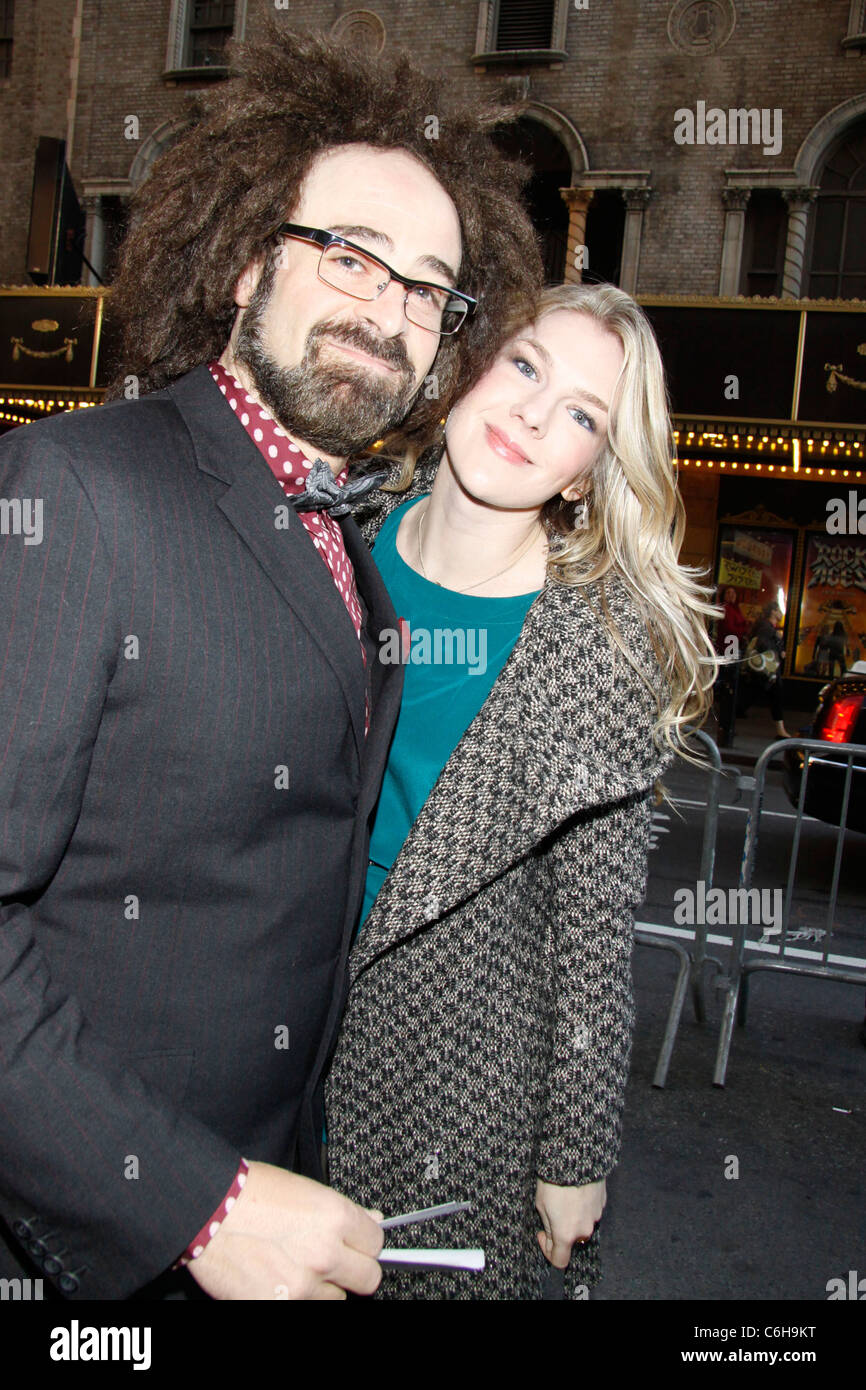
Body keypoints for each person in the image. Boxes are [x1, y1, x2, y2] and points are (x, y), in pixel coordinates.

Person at [0, 26, 541, 1300]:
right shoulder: (75, 490)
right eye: (349, 254)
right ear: (247, 265)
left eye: (428, 288)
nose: (387, 310)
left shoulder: (345, 541)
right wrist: (189, 1202)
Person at [324, 282, 718, 1300]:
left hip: (456, 1093)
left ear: (589, 472)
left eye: (582, 414)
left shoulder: (598, 656)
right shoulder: (332, 532)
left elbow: (592, 935)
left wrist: (574, 1155)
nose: (535, 415)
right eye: (525, 366)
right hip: (266, 1033)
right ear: (465, 370)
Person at [743, 601, 790, 739]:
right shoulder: (766, 627)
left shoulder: (768, 627)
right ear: (773, 612)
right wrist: (778, 649)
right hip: (768, 669)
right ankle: (780, 731)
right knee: (773, 695)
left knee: (768, 695)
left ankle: (781, 730)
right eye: (779, 610)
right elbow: (762, 644)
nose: (781, 613)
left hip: (768, 669)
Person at [713, 585, 749, 744]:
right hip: (730, 643)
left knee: (730, 679)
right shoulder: (726, 609)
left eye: (733, 592)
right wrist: (742, 630)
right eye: (728, 592)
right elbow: (729, 628)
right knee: (729, 679)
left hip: (733, 642)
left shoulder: (736, 609)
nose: (731, 595)